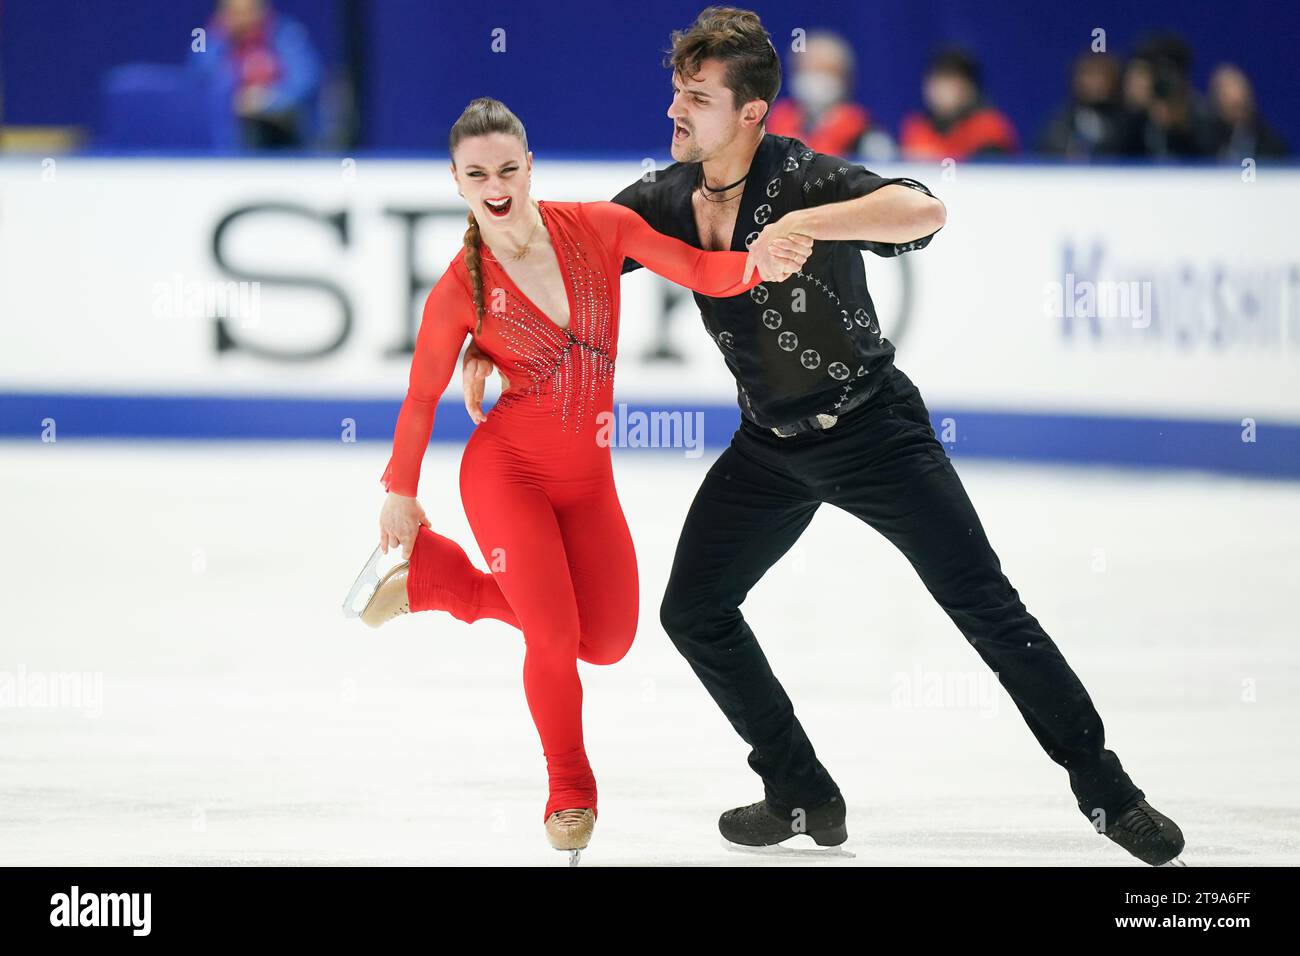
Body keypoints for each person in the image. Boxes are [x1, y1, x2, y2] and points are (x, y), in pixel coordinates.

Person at [462, 6, 1185, 866]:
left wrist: (812, 225)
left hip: (875, 430)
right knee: (694, 610)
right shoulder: (663, 199)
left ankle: (1109, 792)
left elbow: (923, 209)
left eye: (696, 97)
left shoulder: (803, 176)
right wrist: (485, 330)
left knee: (987, 609)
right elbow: (562, 253)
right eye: (676, 93)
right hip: (770, 447)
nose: (675, 112)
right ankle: (802, 791)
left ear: (753, 112)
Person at [350, 96, 806, 861]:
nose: (494, 184)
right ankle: (570, 790)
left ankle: (446, 584)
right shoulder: (462, 288)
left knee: (609, 639)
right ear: (457, 184)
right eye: (475, 173)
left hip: (588, 481)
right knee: (555, 635)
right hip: (506, 474)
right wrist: (400, 489)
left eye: (506, 167)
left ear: (530, 167)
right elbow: (421, 395)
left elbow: (697, 268)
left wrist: (757, 263)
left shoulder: (601, 227)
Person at [190, 0, 321, 149]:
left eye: (245, 12)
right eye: (232, 12)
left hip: (283, 129)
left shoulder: (287, 33)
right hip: (232, 127)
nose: (239, 18)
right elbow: (199, 78)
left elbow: (305, 81)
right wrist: (217, 37)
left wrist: (266, 101)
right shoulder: (209, 37)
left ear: (261, 12)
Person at [766, 30, 894, 160]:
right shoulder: (770, 125)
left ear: (844, 78)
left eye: (823, 70)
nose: (812, 78)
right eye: (805, 69)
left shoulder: (866, 137)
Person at [900, 46, 1017, 160]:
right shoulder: (916, 127)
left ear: (970, 88)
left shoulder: (989, 127)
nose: (943, 91)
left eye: (951, 83)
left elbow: (990, 174)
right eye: (937, 81)